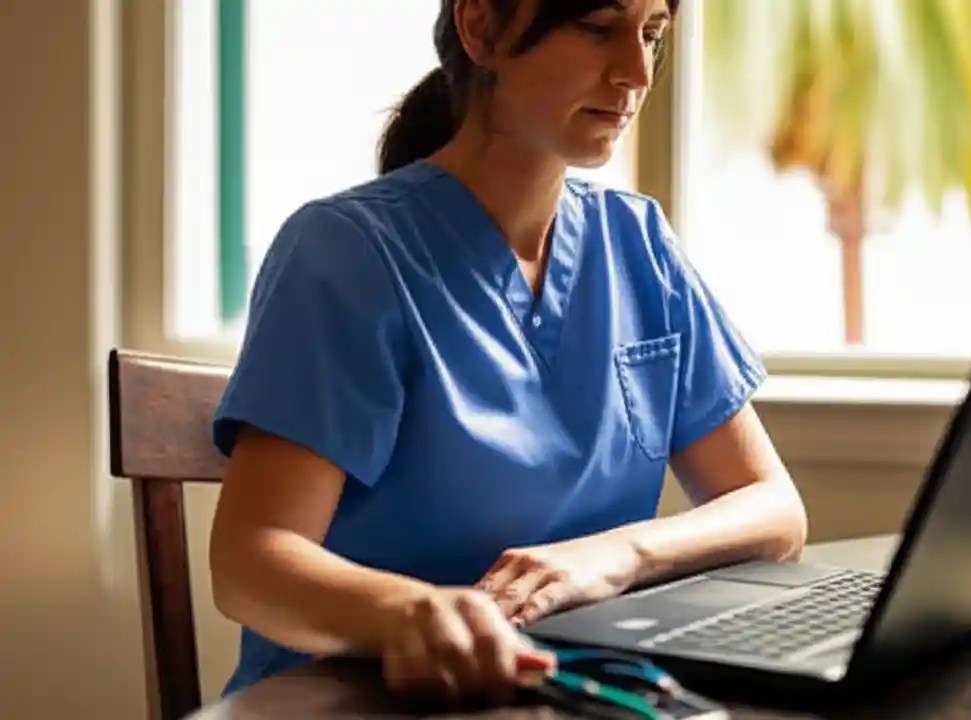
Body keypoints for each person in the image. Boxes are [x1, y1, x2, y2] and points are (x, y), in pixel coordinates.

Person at [208, 0, 808, 708]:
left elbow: (774, 511)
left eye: (651, 33)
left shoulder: (638, 243)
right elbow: (250, 563)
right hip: (354, 701)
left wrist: (617, 556)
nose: (637, 72)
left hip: (563, 698)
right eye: (598, 29)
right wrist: (411, 615)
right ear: (482, 28)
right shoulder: (347, 253)